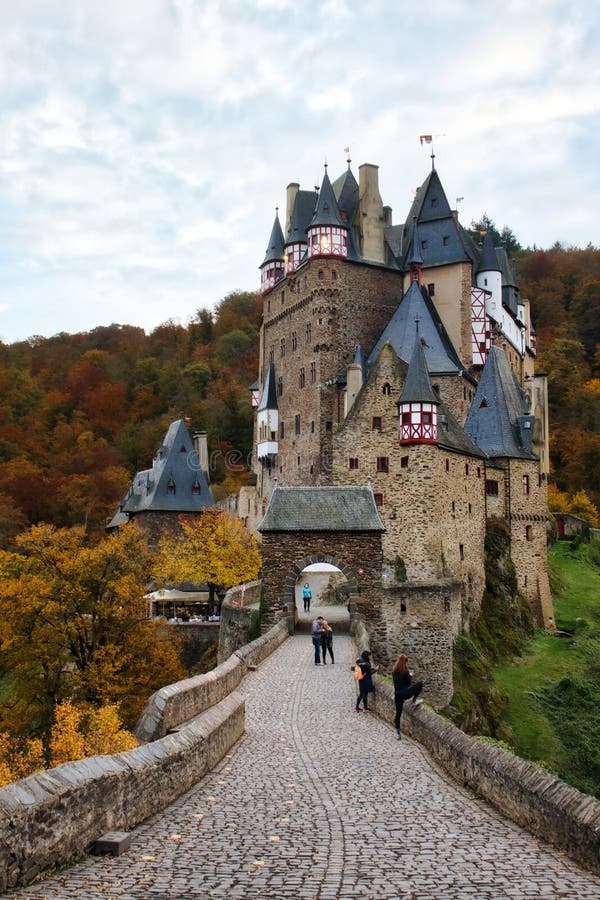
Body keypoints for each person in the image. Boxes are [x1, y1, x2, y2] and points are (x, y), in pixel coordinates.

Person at [392, 653, 423, 739]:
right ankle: (414, 700)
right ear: (405, 662)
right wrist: (410, 676)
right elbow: (409, 684)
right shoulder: (406, 672)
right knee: (420, 684)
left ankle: (398, 733)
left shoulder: (394, 671)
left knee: (398, 713)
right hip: (405, 693)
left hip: (397, 695)